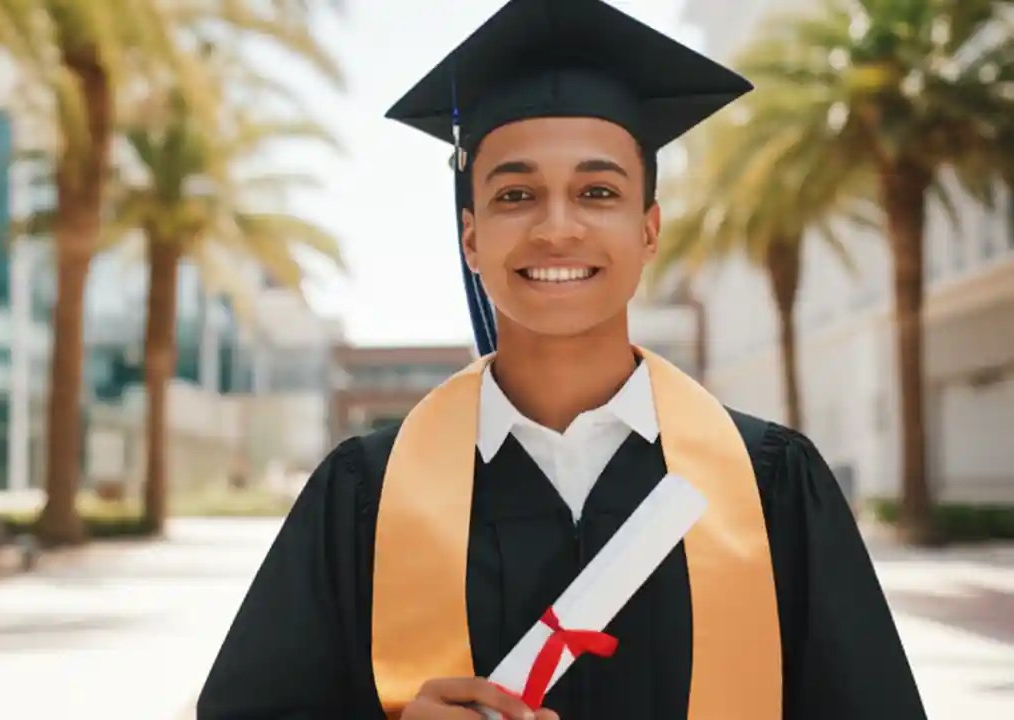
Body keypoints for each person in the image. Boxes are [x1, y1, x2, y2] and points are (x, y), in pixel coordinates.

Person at [196, 1, 927, 718]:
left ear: (649, 231)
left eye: (597, 192)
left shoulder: (769, 484)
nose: (556, 228)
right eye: (516, 194)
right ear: (471, 238)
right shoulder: (367, 496)